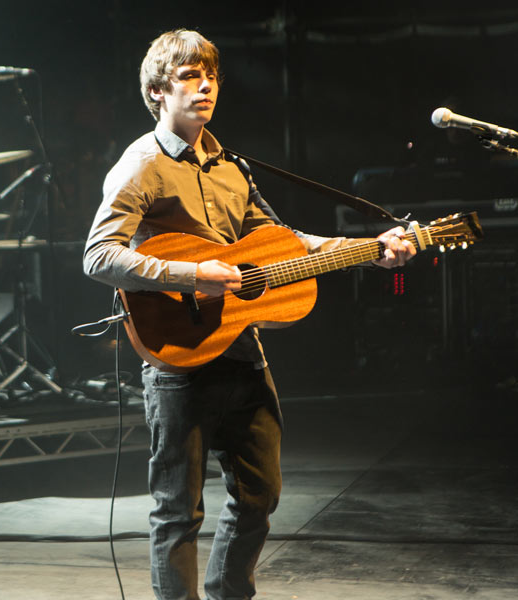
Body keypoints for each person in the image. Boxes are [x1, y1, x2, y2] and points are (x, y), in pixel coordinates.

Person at [82, 30, 415, 600]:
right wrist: (192, 275)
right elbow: (98, 255)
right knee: (177, 514)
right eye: (190, 75)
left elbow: (280, 241)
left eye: (210, 75)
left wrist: (371, 249)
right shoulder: (140, 167)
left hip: (240, 351)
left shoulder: (232, 166)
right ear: (158, 91)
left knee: (260, 495)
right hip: (177, 360)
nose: (206, 85)